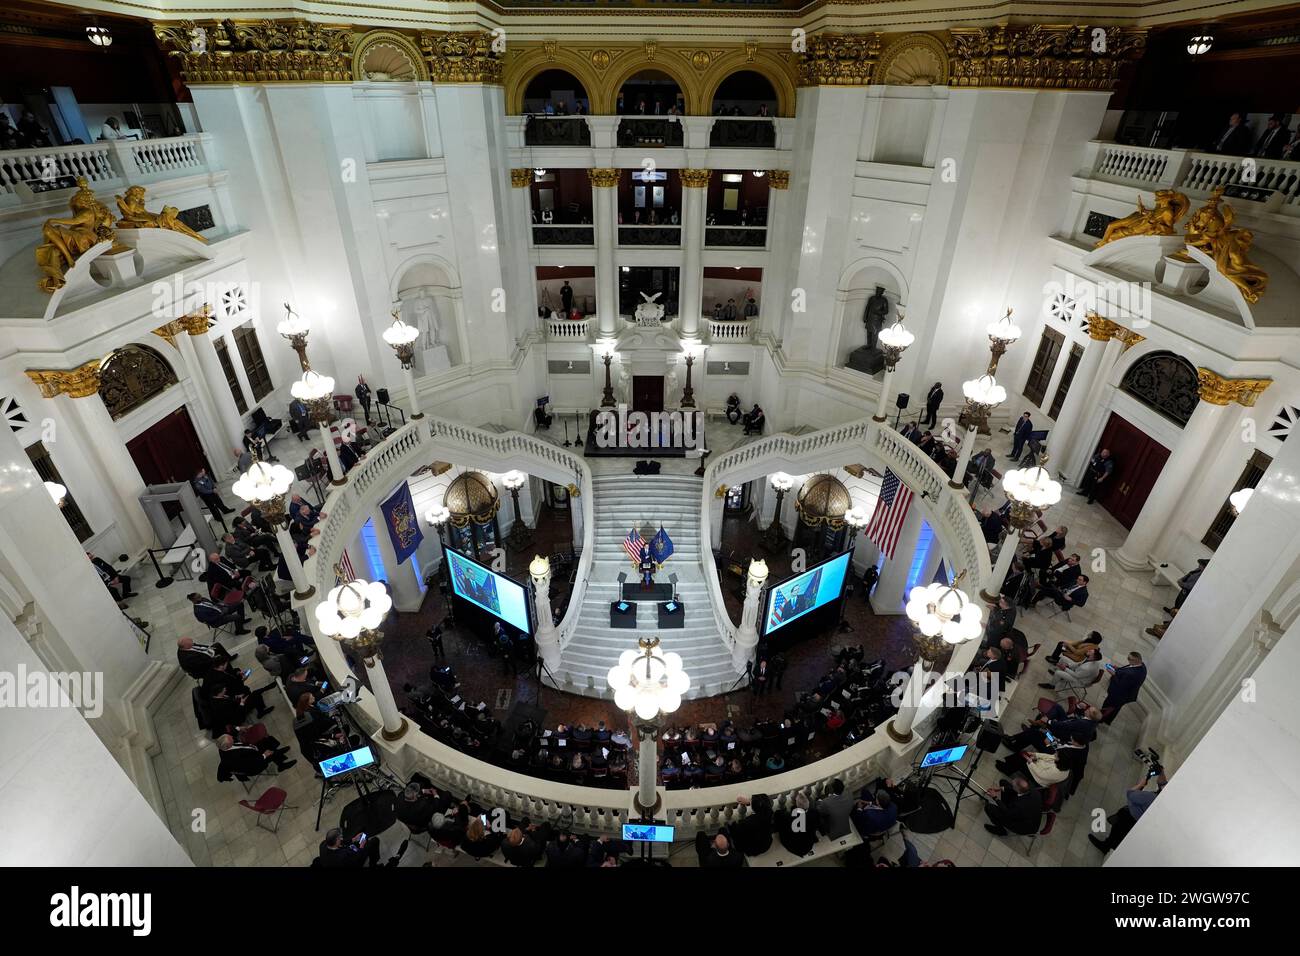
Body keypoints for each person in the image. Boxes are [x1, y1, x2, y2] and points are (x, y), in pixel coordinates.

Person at [1089, 771, 1166, 854]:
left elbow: (1130, 794)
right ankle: (1111, 846)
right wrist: (1161, 771)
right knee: (1121, 835)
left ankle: (1106, 846)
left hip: (1129, 818)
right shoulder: (1165, 800)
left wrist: (1140, 784)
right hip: (1139, 822)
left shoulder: (1150, 798)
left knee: (1117, 830)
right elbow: (1163, 783)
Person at [216, 732, 296, 776]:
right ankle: (281, 765)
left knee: (267, 740)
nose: (233, 737)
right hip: (254, 765)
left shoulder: (223, 746)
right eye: (231, 739)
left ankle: (278, 755)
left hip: (251, 751)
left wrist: (239, 728)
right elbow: (251, 763)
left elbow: (232, 733)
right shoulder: (234, 758)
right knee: (270, 753)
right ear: (228, 746)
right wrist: (264, 755)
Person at [1101, 652, 1147, 724]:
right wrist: (1118, 669)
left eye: (1129, 659)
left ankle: (1100, 719)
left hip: (1119, 695)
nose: (1128, 659)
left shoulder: (1132, 674)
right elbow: (1127, 670)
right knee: (1115, 708)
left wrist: (1114, 673)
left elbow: (1121, 685)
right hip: (1126, 694)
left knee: (1108, 706)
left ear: (1136, 660)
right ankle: (1107, 720)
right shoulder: (1142, 666)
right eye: (1128, 657)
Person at [775, 791, 818, 857]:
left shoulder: (789, 818)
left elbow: (778, 818)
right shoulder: (814, 814)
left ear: (797, 804)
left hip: (793, 846)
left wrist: (778, 812)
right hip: (808, 845)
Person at [317, 827, 381, 867]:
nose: (341, 838)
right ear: (336, 841)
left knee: (360, 829)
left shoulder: (323, 844)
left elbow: (342, 842)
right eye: (340, 838)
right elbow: (357, 857)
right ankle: (373, 864)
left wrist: (353, 839)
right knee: (374, 841)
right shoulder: (342, 856)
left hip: (347, 853)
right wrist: (361, 846)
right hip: (354, 861)